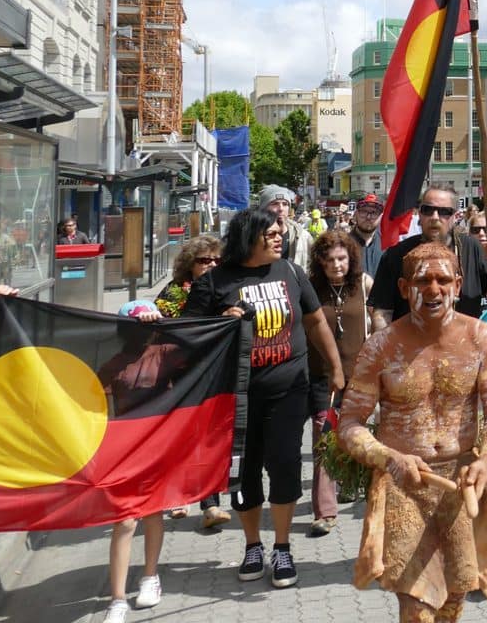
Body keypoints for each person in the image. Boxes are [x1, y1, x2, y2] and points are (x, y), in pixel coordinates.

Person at [338, 242, 487, 622]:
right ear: (403, 288)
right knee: (416, 608)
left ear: (458, 283)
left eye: (443, 280)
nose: (433, 290)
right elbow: (348, 425)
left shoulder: (481, 338)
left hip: (461, 483)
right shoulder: (381, 346)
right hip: (404, 488)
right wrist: (391, 459)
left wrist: (485, 460)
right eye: (423, 281)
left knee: (453, 602)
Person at [182, 207, 345, 589]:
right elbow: (188, 334)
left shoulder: (290, 272)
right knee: (245, 471)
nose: (278, 237)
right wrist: (223, 318)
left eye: (279, 231)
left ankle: (283, 547)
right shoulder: (216, 282)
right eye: (269, 232)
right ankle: (253, 545)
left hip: (289, 390)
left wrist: (336, 366)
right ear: (248, 237)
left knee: (286, 465)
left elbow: (315, 320)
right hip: (236, 397)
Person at [99, 299, 170, 623]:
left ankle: (150, 577)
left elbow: (198, 346)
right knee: (125, 520)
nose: (141, 333)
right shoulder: (116, 364)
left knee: (153, 511)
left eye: (146, 326)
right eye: (135, 326)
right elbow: (89, 397)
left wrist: (166, 321)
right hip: (126, 449)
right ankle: (116, 599)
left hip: (157, 445)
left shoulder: (165, 353)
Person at [159, 234, 234, 527]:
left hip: (215, 374)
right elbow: (159, 326)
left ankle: (210, 504)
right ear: (190, 264)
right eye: (204, 260)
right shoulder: (174, 292)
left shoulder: (225, 291)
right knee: (183, 438)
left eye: (217, 260)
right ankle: (178, 495)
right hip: (180, 375)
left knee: (210, 438)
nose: (212, 265)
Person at [306, 229, 372, 537]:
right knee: (325, 438)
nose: (336, 265)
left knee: (357, 437)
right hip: (323, 378)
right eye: (330, 259)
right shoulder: (309, 290)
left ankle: (354, 486)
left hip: (360, 376)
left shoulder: (363, 283)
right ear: (320, 261)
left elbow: (379, 321)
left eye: (342, 258)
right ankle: (325, 511)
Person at [369, 185, 487, 328]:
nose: (434, 217)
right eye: (428, 210)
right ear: (420, 214)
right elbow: (382, 313)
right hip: (412, 346)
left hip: (463, 345)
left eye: (444, 212)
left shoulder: (472, 248)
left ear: (455, 216)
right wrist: (385, 347)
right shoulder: (396, 255)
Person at [258, 185, 311, 272]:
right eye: (275, 204)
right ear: (263, 208)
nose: (281, 209)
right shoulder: (253, 237)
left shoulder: (302, 236)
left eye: (285, 204)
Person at [349, 193, 386, 283]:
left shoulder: (387, 246)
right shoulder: (343, 244)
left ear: (381, 216)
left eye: (374, 213)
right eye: (363, 211)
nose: (368, 217)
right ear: (355, 214)